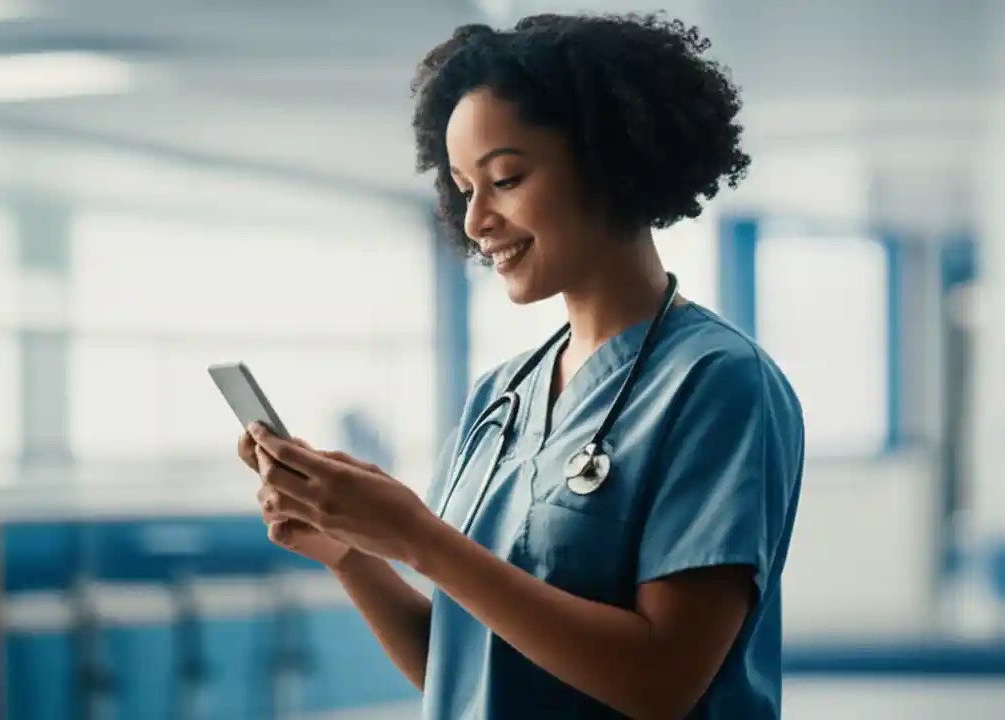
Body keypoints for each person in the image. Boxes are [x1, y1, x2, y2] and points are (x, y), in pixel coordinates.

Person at [239, 12, 804, 719]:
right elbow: (462, 666)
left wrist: (418, 537)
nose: (475, 221)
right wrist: (353, 555)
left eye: (504, 178)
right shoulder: (499, 396)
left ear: (609, 161)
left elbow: (660, 682)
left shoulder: (718, 382)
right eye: (463, 189)